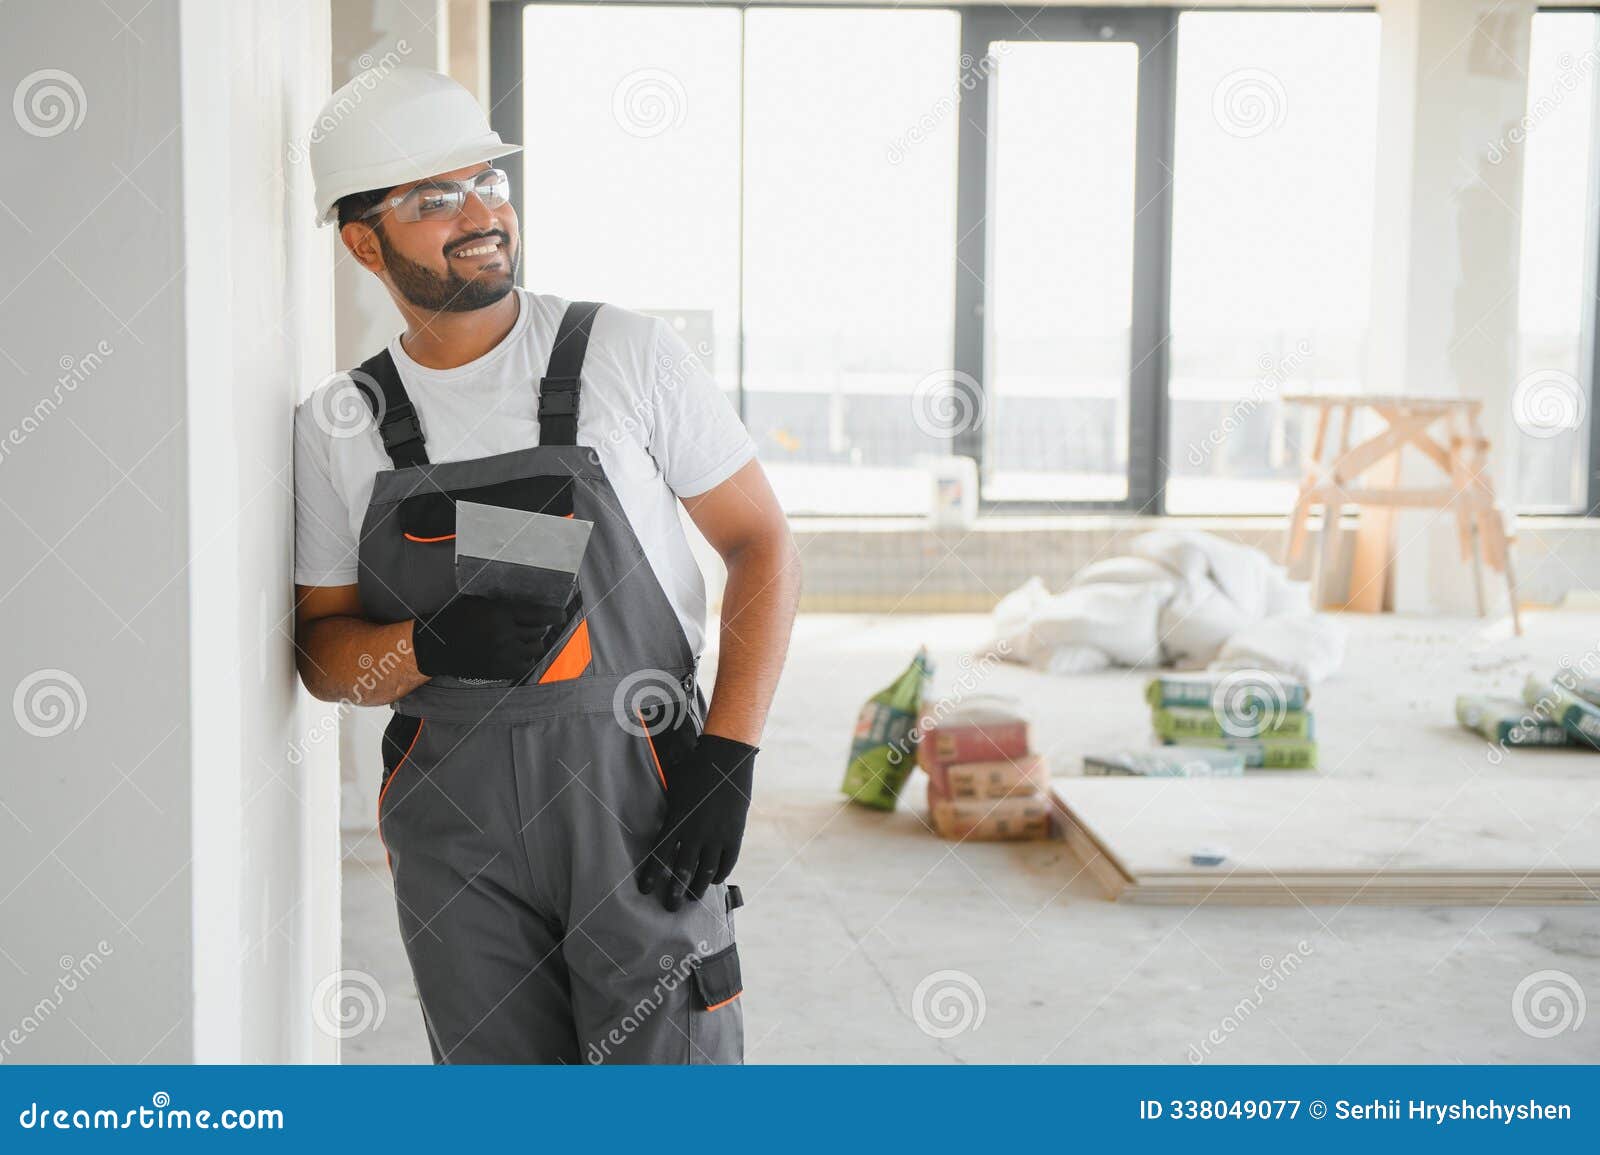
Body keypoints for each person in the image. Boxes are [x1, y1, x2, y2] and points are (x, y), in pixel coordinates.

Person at [292, 68, 799, 1064]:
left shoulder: (623, 355)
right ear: (363, 240)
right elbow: (321, 657)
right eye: (434, 198)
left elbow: (761, 543)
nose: (480, 213)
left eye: (488, 182)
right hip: (454, 817)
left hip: (638, 793)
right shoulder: (338, 425)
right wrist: (421, 645)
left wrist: (729, 758)